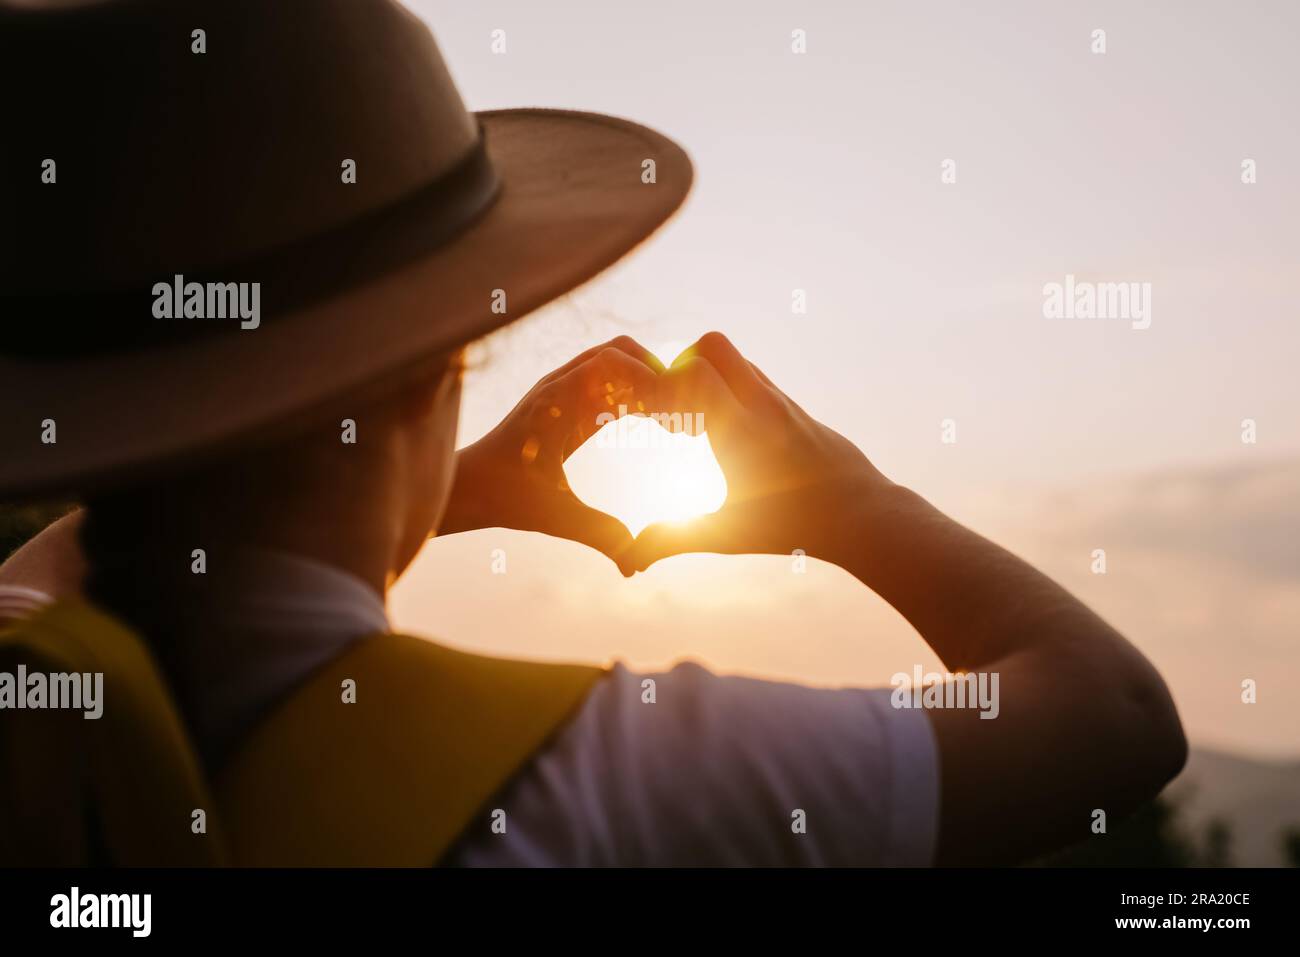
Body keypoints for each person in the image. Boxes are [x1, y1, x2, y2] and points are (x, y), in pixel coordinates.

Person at [0, 0, 1186, 866]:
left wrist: (436, 482)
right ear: (434, 368)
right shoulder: (599, 782)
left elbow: (62, 573)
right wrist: (853, 508)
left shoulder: (32, 709)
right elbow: (1114, 719)